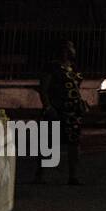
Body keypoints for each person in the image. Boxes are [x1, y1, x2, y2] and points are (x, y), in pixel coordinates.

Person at [37, 40, 85, 184]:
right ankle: (40, 175)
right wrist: (48, 107)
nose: (70, 51)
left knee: (74, 143)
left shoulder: (73, 67)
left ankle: (73, 175)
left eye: (71, 48)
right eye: (68, 49)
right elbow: (43, 89)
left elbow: (76, 87)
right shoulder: (52, 67)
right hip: (57, 109)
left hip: (73, 112)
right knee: (49, 143)